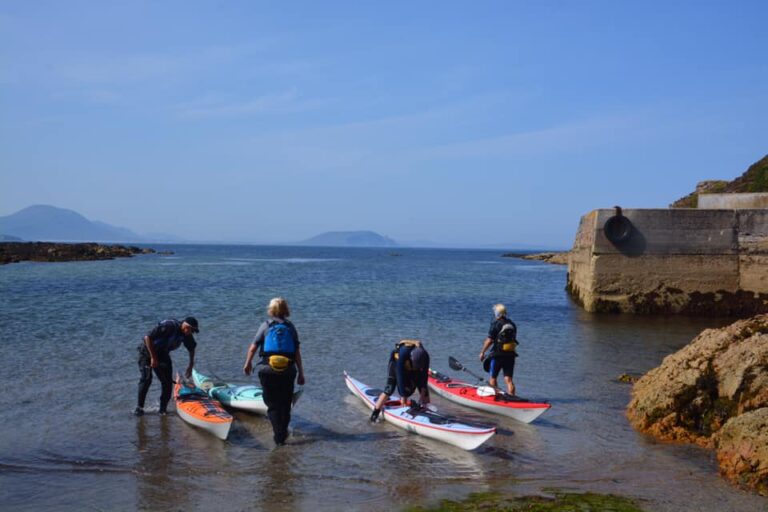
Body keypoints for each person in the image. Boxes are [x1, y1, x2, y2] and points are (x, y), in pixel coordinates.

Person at [243, 297, 306, 446]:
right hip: (288, 371)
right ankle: (282, 434)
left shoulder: (265, 325)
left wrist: (248, 363)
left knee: (272, 405)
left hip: (268, 370)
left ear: (270, 310)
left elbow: (253, 347)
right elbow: (297, 352)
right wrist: (301, 373)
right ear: (286, 310)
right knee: (286, 404)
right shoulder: (290, 327)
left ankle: (279, 437)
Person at [135, 316, 198, 416]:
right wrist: (153, 357)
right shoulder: (169, 326)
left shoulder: (186, 334)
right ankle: (139, 408)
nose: (191, 333)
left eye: (193, 331)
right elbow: (147, 337)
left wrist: (190, 365)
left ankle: (162, 410)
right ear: (186, 326)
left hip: (162, 354)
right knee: (147, 379)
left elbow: (192, 348)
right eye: (191, 330)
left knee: (167, 382)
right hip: (146, 352)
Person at [370, 340, 430, 422]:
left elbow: (424, 377)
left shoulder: (425, 357)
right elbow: (400, 379)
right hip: (396, 365)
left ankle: (425, 408)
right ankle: (375, 415)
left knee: (423, 389)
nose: (417, 368)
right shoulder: (403, 355)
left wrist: (422, 396)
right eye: (416, 366)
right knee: (389, 389)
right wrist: (403, 397)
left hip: (409, 367)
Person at [479, 304, 518, 395]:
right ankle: (512, 398)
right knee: (508, 379)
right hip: (510, 354)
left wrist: (482, 352)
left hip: (497, 355)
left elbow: (489, 340)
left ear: (497, 313)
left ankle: (495, 397)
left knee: (493, 378)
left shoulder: (496, 324)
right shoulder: (512, 324)